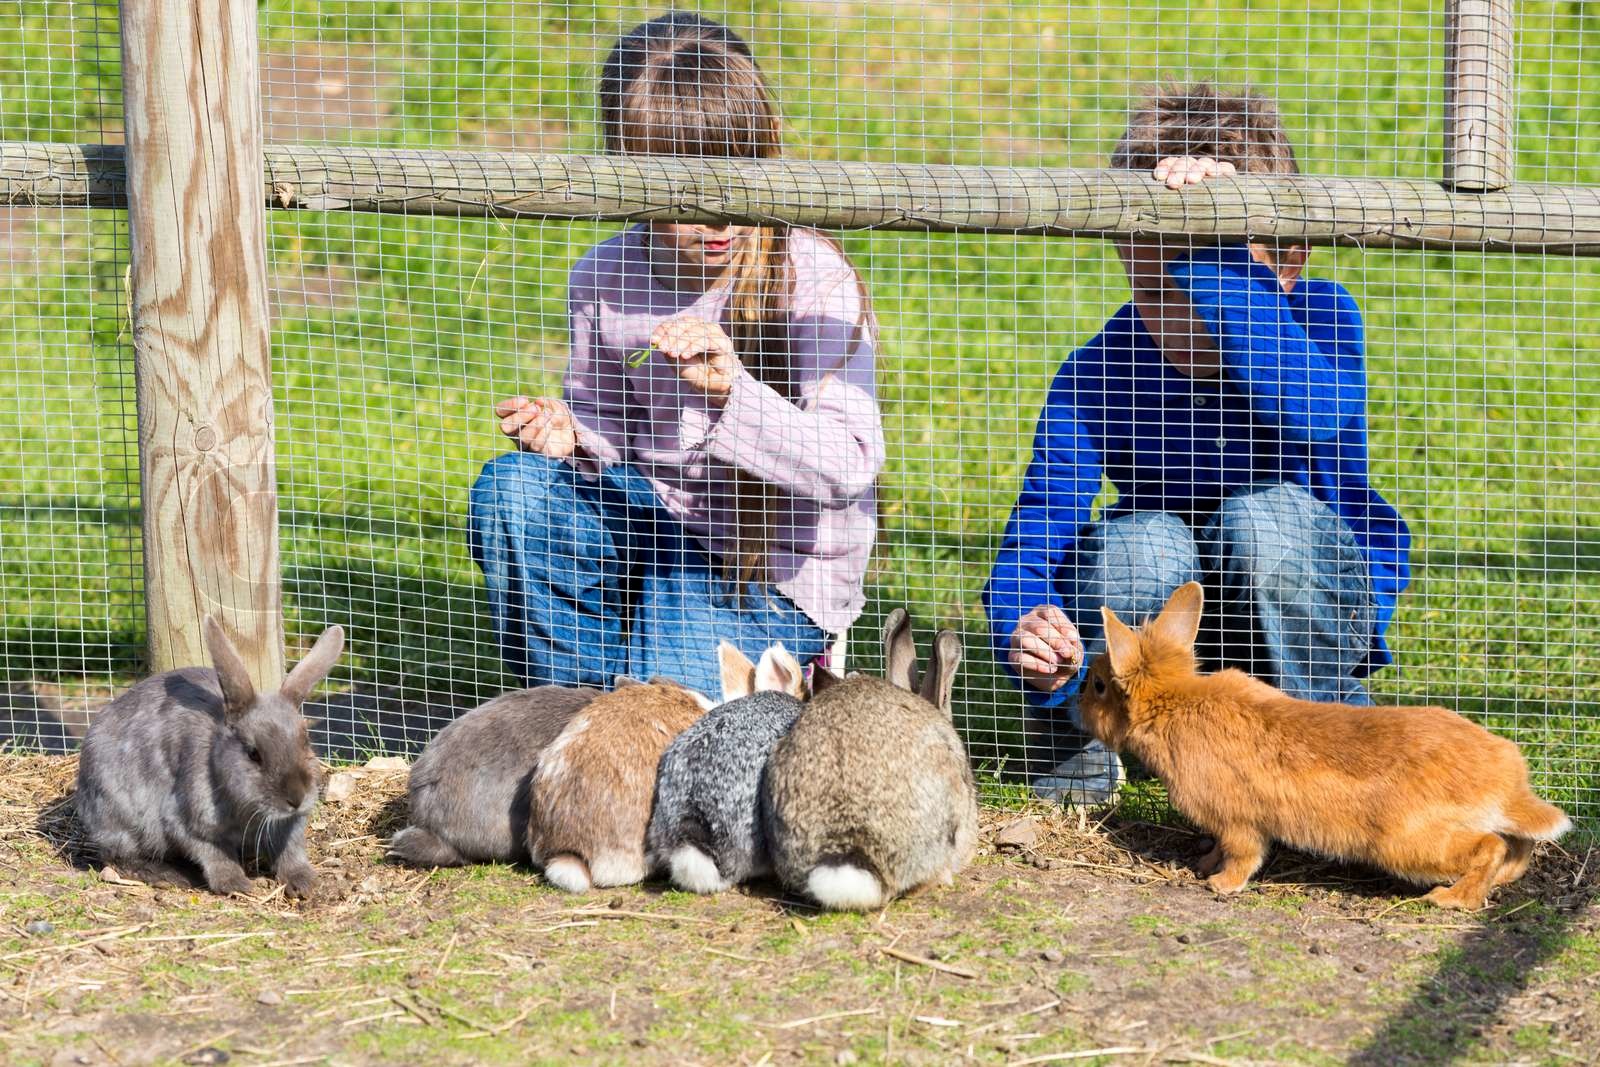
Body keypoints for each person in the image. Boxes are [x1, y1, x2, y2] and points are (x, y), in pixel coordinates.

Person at [983, 83, 1412, 805]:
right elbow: (1033, 537)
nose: (1180, 323)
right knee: (1143, 544)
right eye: (1158, 292)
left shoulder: (1322, 316)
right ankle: (1099, 738)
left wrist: (1214, 259)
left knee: (1262, 522)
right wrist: (1026, 619)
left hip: (1298, 620)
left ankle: (1325, 744)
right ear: (1123, 254)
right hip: (1168, 651)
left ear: (1289, 262)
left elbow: (1314, 412)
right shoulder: (1097, 370)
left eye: (1206, 289)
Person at [469, 12, 883, 697]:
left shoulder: (813, 277)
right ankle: (574, 710)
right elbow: (608, 437)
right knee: (512, 494)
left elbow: (850, 464)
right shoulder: (603, 276)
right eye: (683, 195)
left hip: (766, 570)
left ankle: (662, 695)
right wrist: (570, 437)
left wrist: (734, 395)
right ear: (631, 176)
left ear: (766, 146)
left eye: (734, 178)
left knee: (665, 718)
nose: (716, 221)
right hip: (656, 526)